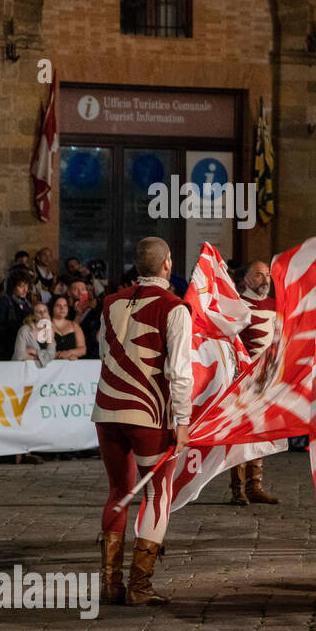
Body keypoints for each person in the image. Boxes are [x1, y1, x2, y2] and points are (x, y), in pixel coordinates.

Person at [92, 237, 193, 607]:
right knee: (157, 493)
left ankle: (110, 584)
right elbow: (180, 372)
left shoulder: (109, 302)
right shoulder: (175, 308)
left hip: (107, 410)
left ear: (137, 266)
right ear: (167, 263)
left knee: (118, 491)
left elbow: (103, 349)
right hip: (148, 413)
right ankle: (140, 586)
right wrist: (183, 421)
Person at [228, 260, 279, 506]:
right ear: (246, 279)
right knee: (241, 434)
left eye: (267, 275)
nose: (265, 279)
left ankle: (254, 485)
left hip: (266, 380)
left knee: (259, 432)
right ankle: (238, 488)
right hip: (242, 380)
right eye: (258, 275)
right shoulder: (236, 305)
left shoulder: (273, 305)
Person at [0, 270, 35, 360]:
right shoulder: (3, 302)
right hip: (5, 350)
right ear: (13, 287)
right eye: (20, 286)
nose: (25, 289)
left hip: (23, 349)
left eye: (26, 285)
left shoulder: (28, 305)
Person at [12, 302, 54, 366]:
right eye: (38, 312)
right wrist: (41, 358)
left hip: (45, 371)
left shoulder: (50, 330)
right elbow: (19, 355)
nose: (42, 314)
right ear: (33, 316)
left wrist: (35, 352)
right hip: (23, 370)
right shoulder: (24, 330)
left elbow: (51, 354)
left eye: (45, 311)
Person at [69, 280, 102, 359]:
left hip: (94, 352)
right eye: (76, 289)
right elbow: (69, 334)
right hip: (75, 352)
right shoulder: (67, 310)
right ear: (69, 293)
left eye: (83, 289)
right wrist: (78, 315)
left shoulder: (99, 310)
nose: (80, 292)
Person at [49, 295, 85, 360]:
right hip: (51, 365)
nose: (62, 308)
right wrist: (59, 355)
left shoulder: (74, 325)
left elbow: (82, 349)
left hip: (71, 365)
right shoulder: (45, 325)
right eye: (58, 305)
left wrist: (68, 353)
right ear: (52, 308)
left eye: (65, 305)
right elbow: (42, 350)